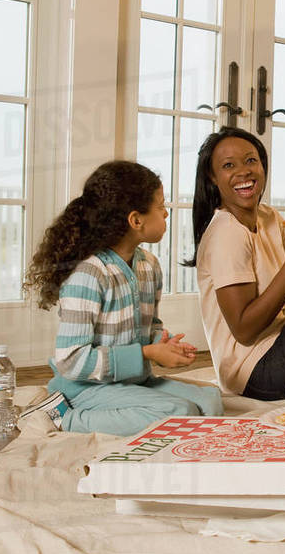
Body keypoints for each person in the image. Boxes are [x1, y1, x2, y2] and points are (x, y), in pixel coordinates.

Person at [23, 161, 222, 435]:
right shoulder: (89, 274)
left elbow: (150, 325)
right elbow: (71, 361)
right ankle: (64, 419)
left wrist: (163, 346)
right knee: (179, 412)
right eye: (161, 206)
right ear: (136, 220)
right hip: (86, 388)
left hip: (134, 382)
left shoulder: (149, 265)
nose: (166, 213)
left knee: (210, 402)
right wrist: (147, 353)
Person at [187, 127, 285, 400]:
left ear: (262, 165)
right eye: (228, 165)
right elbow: (244, 330)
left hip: (279, 344)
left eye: (250, 160)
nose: (244, 171)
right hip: (256, 372)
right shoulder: (226, 233)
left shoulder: (269, 216)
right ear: (213, 177)